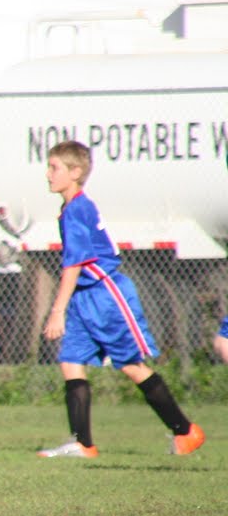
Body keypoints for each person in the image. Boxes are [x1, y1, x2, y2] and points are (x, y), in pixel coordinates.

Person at [37, 139, 204, 458]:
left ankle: (185, 432)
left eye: (54, 167)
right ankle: (82, 444)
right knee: (70, 361)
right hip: (85, 297)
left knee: (131, 366)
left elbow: (74, 264)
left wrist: (57, 310)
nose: (48, 174)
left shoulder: (77, 209)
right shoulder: (72, 208)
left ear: (75, 172)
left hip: (105, 295)